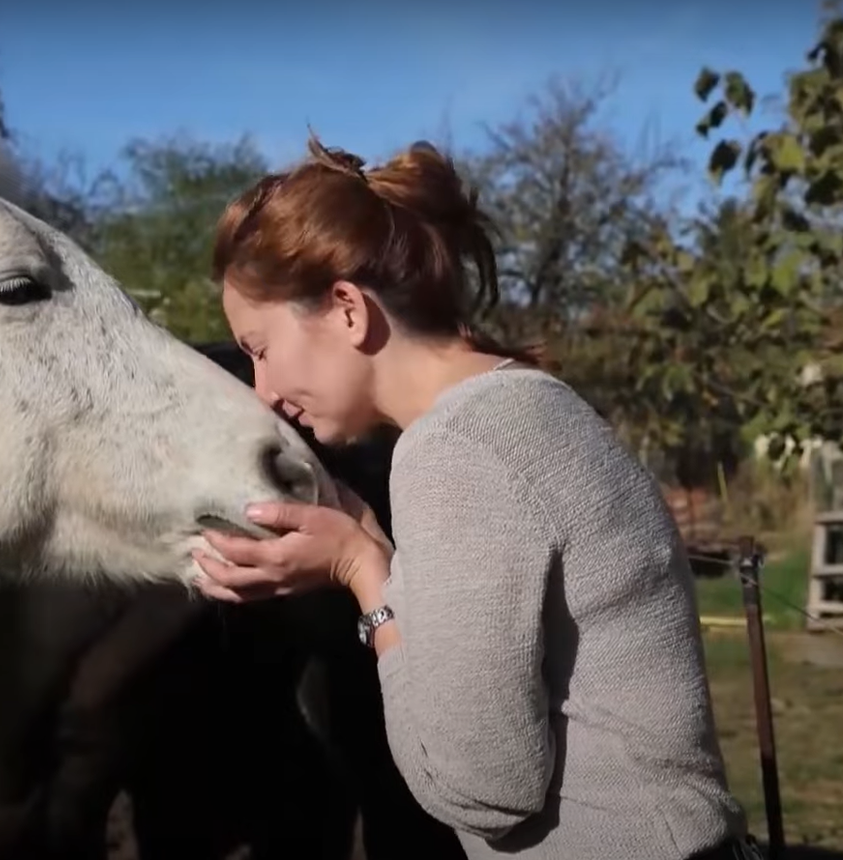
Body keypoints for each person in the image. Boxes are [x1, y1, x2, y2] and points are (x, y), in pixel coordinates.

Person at [190, 134, 757, 860]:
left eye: (261, 349)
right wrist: (370, 539)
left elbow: (481, 789)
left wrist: (362, 572)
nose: (264, 391)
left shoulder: (454, 448)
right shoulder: (533, 406)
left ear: (347, 310)